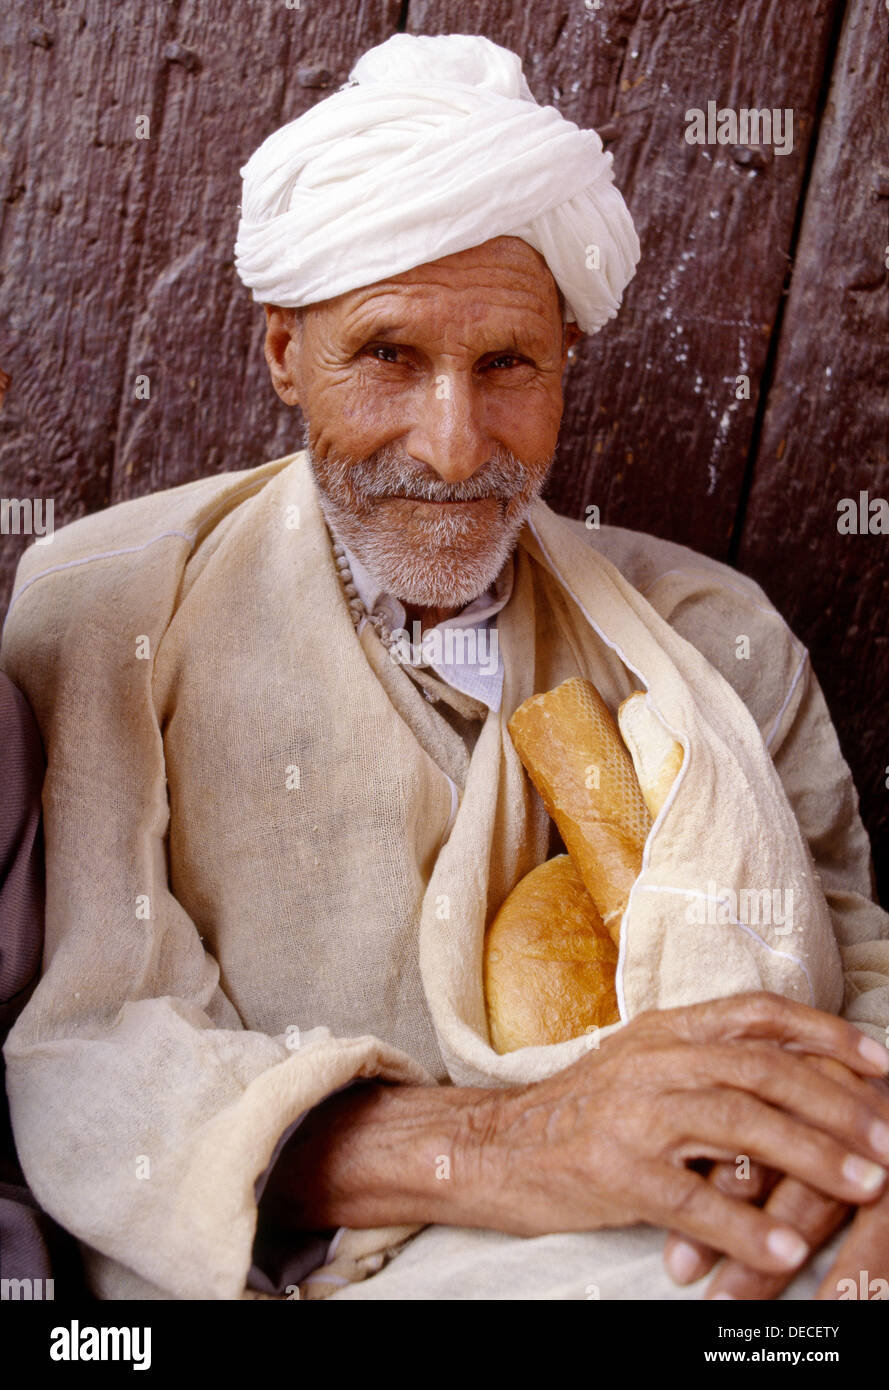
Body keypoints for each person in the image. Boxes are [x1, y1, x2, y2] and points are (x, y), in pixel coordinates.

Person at [1, 33, 887, 1303]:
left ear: (566, 362)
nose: (454, 442)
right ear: (281, 353)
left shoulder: (711, 628)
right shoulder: (114, 607)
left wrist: (864, 1152)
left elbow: (854, 967)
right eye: (388, 355)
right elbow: (95, 1057)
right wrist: (510, 1143)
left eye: (507, 364)